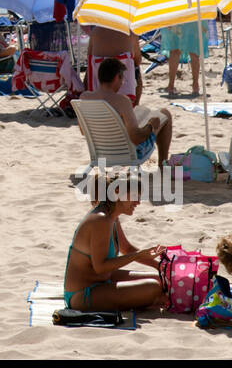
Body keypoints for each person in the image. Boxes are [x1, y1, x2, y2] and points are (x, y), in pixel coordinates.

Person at [63, 172, 165, 311]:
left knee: (161, 279)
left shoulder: (112, 217)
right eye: (134, 196)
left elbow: (127, 248)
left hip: (103, 280)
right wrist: (137, 255)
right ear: (117, 192)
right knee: (154, 287)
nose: (138, 202)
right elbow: (100, 267)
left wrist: (161, 267)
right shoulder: (101, 220)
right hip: (83, 294)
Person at [79, 57, 173, 164]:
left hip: (100, 152)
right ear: (116, 78)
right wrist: (151, 126)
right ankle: (163, 164)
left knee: (138, 111)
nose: (122, 83)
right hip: (127, 153)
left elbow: (83, 131)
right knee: (165, 114)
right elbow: (136, 138)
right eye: (122, 79)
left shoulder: (85, 97)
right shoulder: (122, 101)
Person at [85, 24, 144, 103]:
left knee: (90, 68)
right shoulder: (130, 32)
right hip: (124, 92)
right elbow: (138, 60)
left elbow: (89, 57)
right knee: (136, 68)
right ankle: (135, 106)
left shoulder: (95, 32)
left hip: (97, 89)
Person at [160, 21, 205, 95]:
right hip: (193, 15)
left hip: (177, 16)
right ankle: (195, 85)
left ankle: (171, 85)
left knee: (175, 50)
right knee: (193, 50)